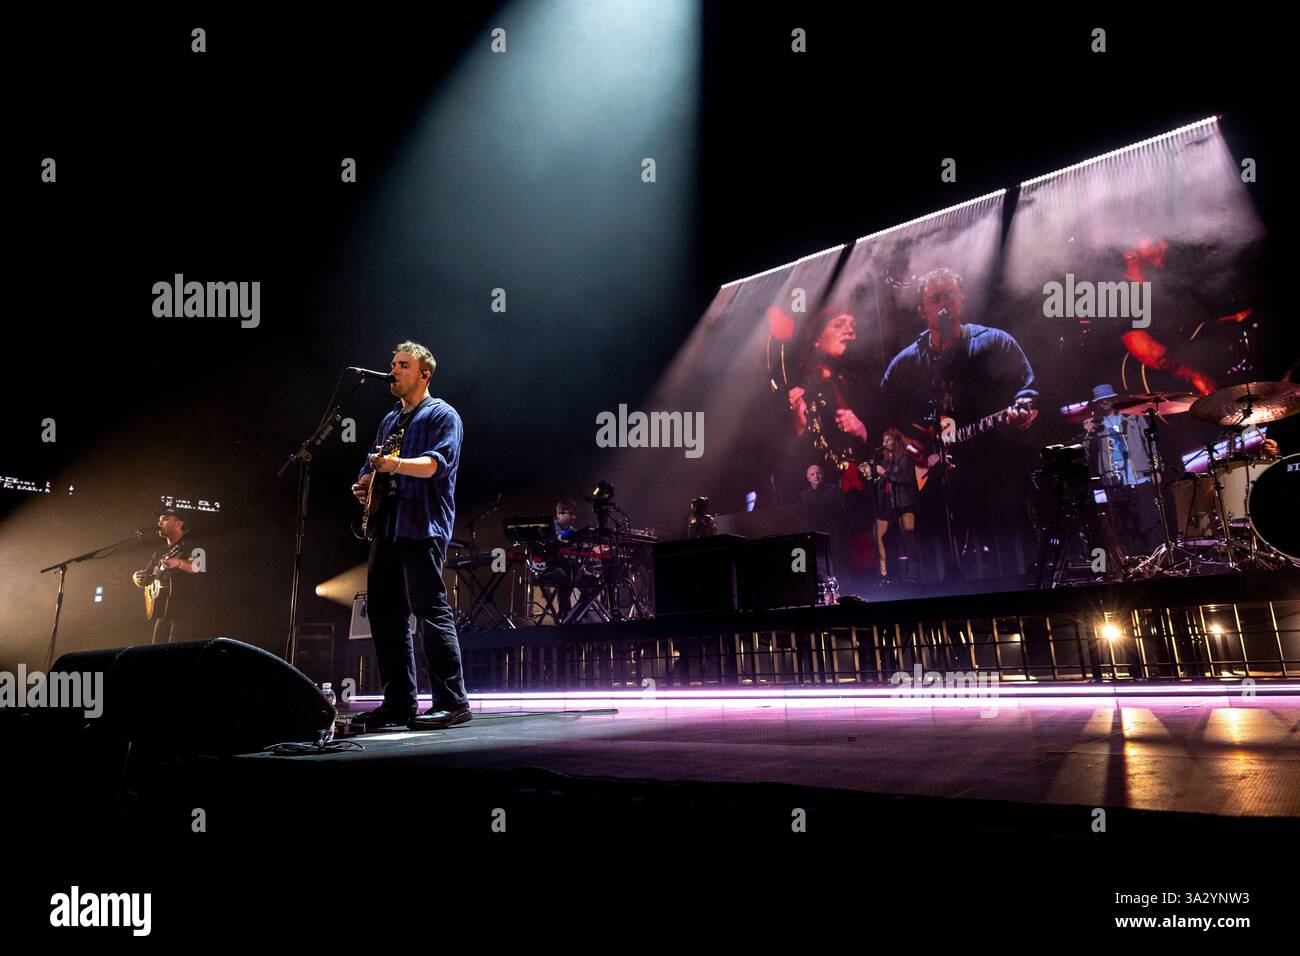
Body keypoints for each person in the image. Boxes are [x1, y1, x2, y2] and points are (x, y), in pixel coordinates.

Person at [879, 267, 1039, 574]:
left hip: (995, 471)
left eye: (950, 295)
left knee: (1009, 546)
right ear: (922, 309)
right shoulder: (907, 362)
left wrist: (1024, 409)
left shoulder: (995, 343)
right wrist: (908, 443)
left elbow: (1028, 389)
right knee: (945, 555)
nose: (944, 303)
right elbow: (883, 410)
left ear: (961, 300)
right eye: (935, 298)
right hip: (941, 482)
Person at [349, 341, 470, 731]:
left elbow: (437, 465)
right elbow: (375, 466)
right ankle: (399, 702)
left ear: (424, 373)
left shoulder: (442, 415)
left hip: (423, 527)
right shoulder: (389, 421)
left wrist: (395, 464)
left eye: (403, 365)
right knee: (386, 617)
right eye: (393, 364)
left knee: (430, 611)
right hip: (386, 527)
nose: (393, 370)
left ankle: (453, 702)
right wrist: (366, 483)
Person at [131, 507, 203, 644]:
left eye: (164, 519)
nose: (159, 523)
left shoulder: (195, 542)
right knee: (156, 651)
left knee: (175, 653)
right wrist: (137, 578)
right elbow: (147, 577)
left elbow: (200, 567)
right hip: (165, 611)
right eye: (159, 520)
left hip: (186, 611)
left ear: (178, 524)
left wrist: (179, 563)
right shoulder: (160, 551)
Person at [872, 429, 920, 583]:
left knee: (908, 537)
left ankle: (914, 573)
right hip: (892, 505)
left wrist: (884, 473)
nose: (884, 442)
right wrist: (874, 475)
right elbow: (883, 484)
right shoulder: (885, 461)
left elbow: (904, 478)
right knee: (887, 538)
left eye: (888, 439)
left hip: (906, 503)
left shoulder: (905, 459)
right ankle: (894, 574)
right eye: (883, 440)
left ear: (896, 441)